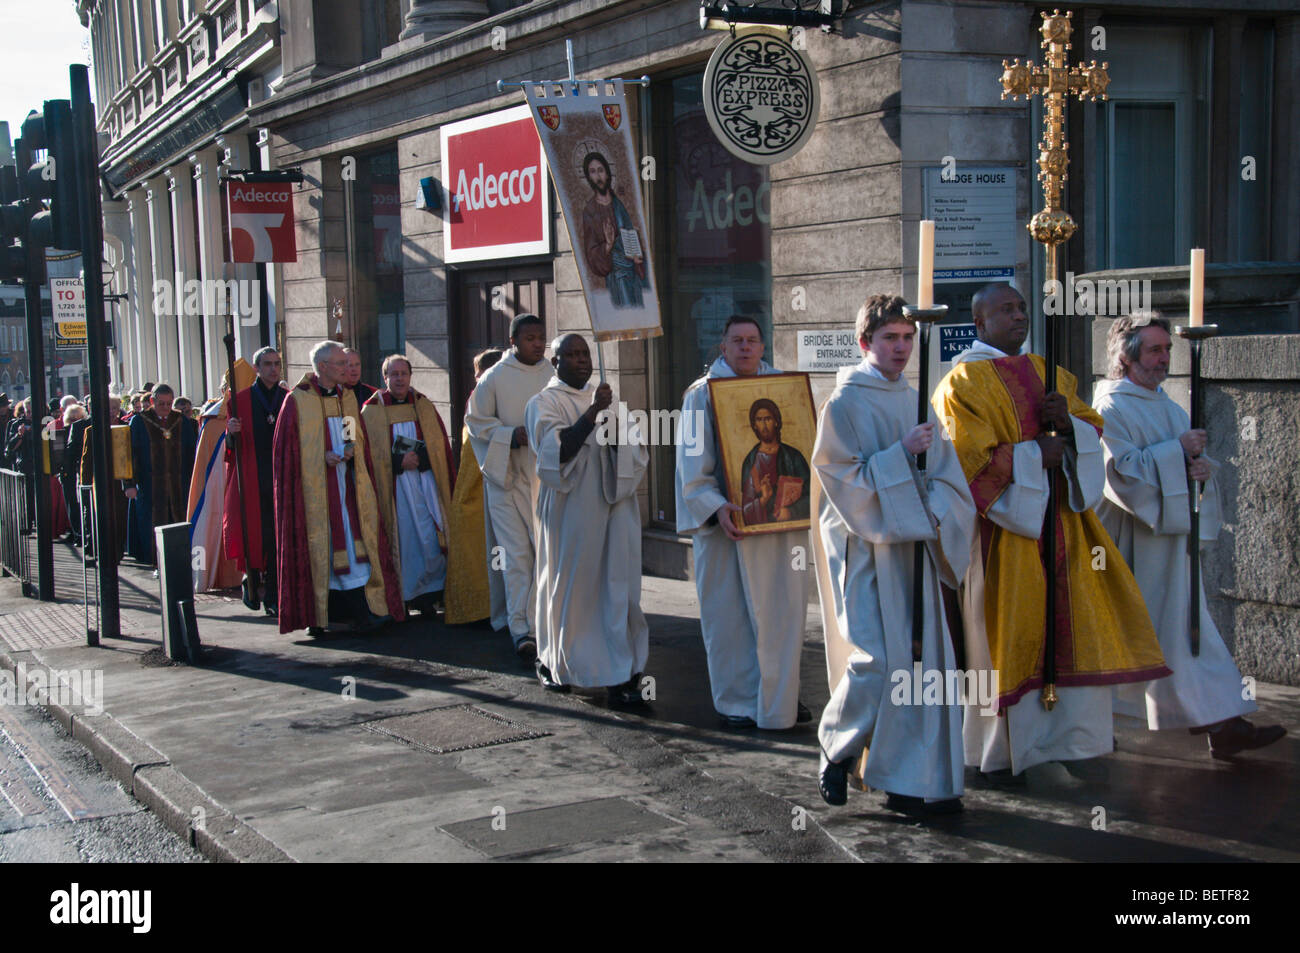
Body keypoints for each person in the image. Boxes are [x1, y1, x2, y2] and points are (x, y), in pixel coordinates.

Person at [931, 282, 1168, 780]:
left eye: (1022, 308)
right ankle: (1007, 753)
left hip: (1061, 523)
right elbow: (967, 461)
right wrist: (1040, 454)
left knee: (1073, 623)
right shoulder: (960, 384)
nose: (1018, 317)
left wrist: (1071, 428)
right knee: (1007, 632)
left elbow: (1093, 427)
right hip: (1003, 535)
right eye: (1005, 310)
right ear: (979, 322)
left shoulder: (1049, 371)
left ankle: (1070, 741)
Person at [1094, 315, 1285, 759]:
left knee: (1187, 632)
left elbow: (1185, 467)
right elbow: (1117, 474)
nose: (1165, 359)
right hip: (1131, 543)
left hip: (1170, 543)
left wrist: (1198, 473)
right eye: (1156, 350)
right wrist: (1177, 454)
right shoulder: (1110, 407)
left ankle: (1222, 722)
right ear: (1126, 356)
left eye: (1167, 350)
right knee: (1138, 635)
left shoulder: (1170, 406)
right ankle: (1097, 725)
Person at [813, 295, 976, 814]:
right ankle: (835, 750)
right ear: (866, 343)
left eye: (908, 338)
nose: (902, 347)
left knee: (923, 668)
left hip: (917, 552)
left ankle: (911, 779)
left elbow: (949, 477)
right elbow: (843, 481)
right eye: (890, 338)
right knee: (877, 662)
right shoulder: (843, 404)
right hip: (869, 551)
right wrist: (901, 455)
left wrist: (935, 510)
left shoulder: (917, 400)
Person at [675, 315, 811, 730]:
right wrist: (715, 506)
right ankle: (737, 702)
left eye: (753, 340)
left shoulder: (782, 389)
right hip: (727, 528)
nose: (747, 348)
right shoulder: (700, 396)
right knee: (730, 618)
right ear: (723, 347)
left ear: (763, 346)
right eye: (738, 341)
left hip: (778, 531)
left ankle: (780, 699)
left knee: (781, 616)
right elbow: (692, 468)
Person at [526, 333, 649, 704]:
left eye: (584, 354)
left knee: (617, 587)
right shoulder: (542, 403)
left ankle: (621, 668)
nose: (581, 360)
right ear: (556, 362)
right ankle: (559, 663)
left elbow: (637, 454)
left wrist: (616, 439)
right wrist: (593, 414)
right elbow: (556, 454)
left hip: (614, 506)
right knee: (572, 587)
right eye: (572, 354)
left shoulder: (611, 401)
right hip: (571, 510)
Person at [273, 340, 404, 636]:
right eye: (340, 363)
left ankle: (357, 613)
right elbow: (287, 454)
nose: (347, 368)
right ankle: (315, 617)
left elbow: (349, 431)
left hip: (346, 486)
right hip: (314, 495)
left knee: (353, 546)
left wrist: (349, 448)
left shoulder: (346, 398)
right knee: (319, 550)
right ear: (322, 367)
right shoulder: (297, 401)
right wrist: (322, 458)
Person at [464, 313, 554, 661]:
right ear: (513, 341)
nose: (537, 343)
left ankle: (540, 620)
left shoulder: (552, 374)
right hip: (506, 479)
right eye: (530, 338)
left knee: (543, 553)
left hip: (544, 480)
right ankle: (521, 629)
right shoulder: (494, 378)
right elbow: (476, 424)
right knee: (517, 556)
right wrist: (509, 435)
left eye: (541, 337)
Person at [361, 354, 455, 616]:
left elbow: (439, 449)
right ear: (385, 377)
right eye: (394, 374)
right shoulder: (372, 410)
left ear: (410, 376)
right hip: (395, 489)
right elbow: (369, 454)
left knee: (429, 538)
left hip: (425, 483)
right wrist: (398, 461)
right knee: (405, 541)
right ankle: (403, 595)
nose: (400, 378)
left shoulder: (423, 405)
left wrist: (420, 459)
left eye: (404, 373)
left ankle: (430, 594)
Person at [444, 348, 507, 626]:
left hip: (492, 488)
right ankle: (482, 607)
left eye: (479, 373)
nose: (477, 378)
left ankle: (498, 608)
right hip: (476, 488)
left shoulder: (495, 399)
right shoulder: (479, 399)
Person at [225, 348, 287, 612]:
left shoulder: (289, 398)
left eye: (277, 364)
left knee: (277, 538)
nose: (274, 369)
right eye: (268, 364)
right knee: (256, 534)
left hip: (282, 476)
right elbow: (231, 450)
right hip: (253, 476)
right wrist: (231, 433)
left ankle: (273, 595)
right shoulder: (239, 401)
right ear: (257, 367)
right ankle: (251, 581)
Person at [124, 383, 198, 565]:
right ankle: (155, 560)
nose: (165, 408)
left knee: (177, 521)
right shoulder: (140, 421)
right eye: (161, 404)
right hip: (150, 485)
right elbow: (130, 454)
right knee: (152, 525)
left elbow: (191, 452)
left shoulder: (181, 421)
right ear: (152, 401)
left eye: (168, 403)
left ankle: (178, 560)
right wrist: (129, 484)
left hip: (178, 484)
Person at [579, 152, 647, 309]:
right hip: (617, 276)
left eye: (601, 170)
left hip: (632, 272)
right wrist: (608, 244)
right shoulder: (590, 211)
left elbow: (629, 234)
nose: (598, 176)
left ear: (607, 173)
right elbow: (591, 252)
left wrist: (636, 253)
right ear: (589, 178)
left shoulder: (618, 204)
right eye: (593, 172)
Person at [739, 398, 811, 525]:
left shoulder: (793, 457)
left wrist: (792, 511)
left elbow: (813, 495)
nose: (764, 425)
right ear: (754, 425)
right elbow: (745, 511)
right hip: (762, 534)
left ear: (776, 422)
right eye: (759, 420)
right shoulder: (751, 462)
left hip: (794, 529)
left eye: (768, 419)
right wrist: (764, 499)